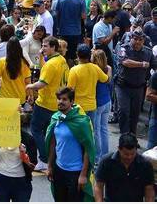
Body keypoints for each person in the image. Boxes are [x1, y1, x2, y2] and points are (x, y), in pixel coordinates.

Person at [26, 36, 68, 171]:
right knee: (49, 133)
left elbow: (43, 82)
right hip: (56, 103)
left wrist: (30, 86)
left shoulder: (51, 64)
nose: (42, 48)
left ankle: (43, 158)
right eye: (42, 45)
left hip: (45, 103)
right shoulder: (61, 60)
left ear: (53, 47)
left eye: (45, 46)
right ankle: (51, 158)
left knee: (36, 130)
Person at [46, 87, 95, 202]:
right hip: (58, 170)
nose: (60, 102)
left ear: (72, 102)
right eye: (58, 99)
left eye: (64, 99)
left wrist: (83, 175)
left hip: (75, 173)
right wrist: (49, 166)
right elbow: (53, 144)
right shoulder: (56, 118)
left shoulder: (81, 122)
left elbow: (88, 148)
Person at [94, 132, 155, 202]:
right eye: (126, 154)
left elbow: (149, 190)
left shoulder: (145, 165)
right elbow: (99, 186)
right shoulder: (107, 162)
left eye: (132, 154)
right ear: (119, 149)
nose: (129, 157)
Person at [114, 29, 154, 134]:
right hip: (123, 86)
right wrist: (142, 64)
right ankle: (124, 136)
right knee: (123, 112)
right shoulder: (124, 48)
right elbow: (126, 62)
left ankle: (132, 137)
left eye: (140, 39)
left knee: (135, 114)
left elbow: (155, 66)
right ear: (131, 38)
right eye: (135, 39)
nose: (137, 41)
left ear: (143, 40)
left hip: (138, 88)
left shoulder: (148, 52)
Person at [67, 44, 108, 120]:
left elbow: (70, 89)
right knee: (90, 130)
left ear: (77, 54)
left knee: (79, 130)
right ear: (89, 55)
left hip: (78, 107)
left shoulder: (74, 70)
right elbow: (105, 79)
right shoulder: (95, 67)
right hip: (92, 106)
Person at [90, 49, 113, 163]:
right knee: (104, 129)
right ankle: (106, 155)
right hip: (107, 101)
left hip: (97, 102)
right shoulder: (108, 68)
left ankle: (98, 158)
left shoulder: (94, 70)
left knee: (96, 131)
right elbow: (110, 85)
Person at [0, 36, 31, 103]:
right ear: (19, 48)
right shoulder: (24, 63)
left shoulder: (2, 61)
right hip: (20, 98)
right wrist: (30, 95)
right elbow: (28, 82)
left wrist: (0, 83)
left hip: (4, 97)